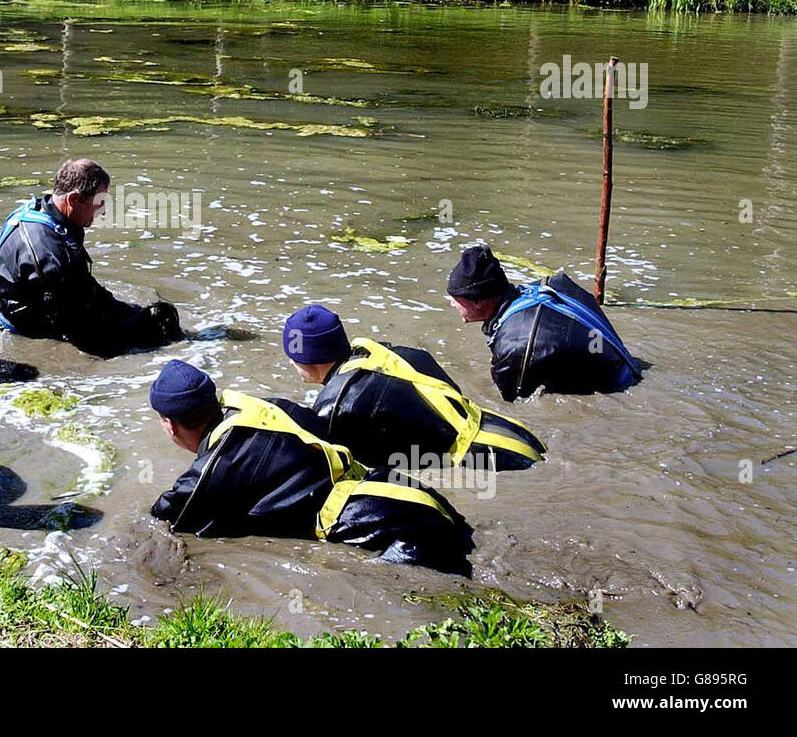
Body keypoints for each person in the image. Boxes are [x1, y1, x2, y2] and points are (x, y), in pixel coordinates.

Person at [147, 360, 473, 574]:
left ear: (170, 426)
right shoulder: (264, 408)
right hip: (406, 493)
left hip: (389, 531)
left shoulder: (216, 467)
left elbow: (160, 521)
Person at [281, 304, 545, 471]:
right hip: (513, 432)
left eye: (292, 357)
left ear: (305, 358)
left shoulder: (335, 409)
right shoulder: (383, 353)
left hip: (493, 463)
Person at [0, 158, 182, 357]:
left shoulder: (35, 211)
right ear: (73, 200)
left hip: (19, 310)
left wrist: (129, 311)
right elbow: (81, 324)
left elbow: (84, 292)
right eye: (99, 203)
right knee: (162, 320)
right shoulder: (54, 256)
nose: (103, 210)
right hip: (26, 334)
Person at [446, 245, 642, 402]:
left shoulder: (516, 348)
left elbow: (510, 403)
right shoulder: (548, 286)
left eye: (455, 298)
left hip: (623, 391)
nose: (451, 303)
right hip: (627, 364)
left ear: (478, 301)